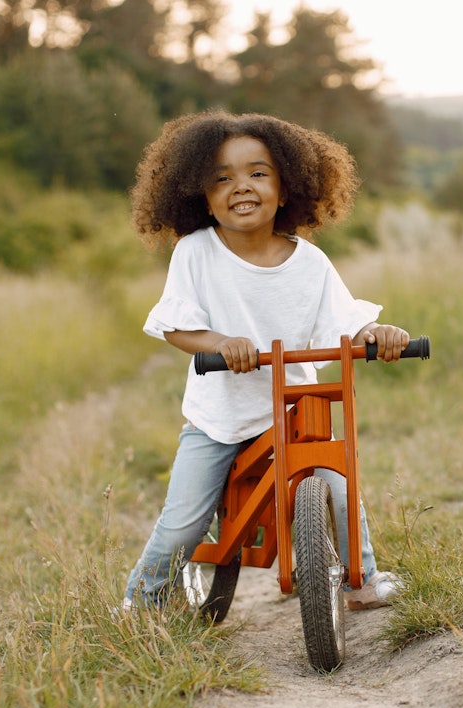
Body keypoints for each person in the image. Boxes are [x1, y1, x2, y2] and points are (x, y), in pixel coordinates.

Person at [122, 109, 408, 614]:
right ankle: (141, 600)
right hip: (221, 416)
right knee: (186, 520)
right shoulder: (195, 253)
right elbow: (176, 324)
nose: (241, 186)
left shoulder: (310, 262)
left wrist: (376, 334)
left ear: (286, 186)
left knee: (341, 485)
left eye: (258, 173)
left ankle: (360, 579)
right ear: (200, 196)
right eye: (222, 178)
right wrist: (219, 341)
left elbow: (345, 321)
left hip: (296, 410)